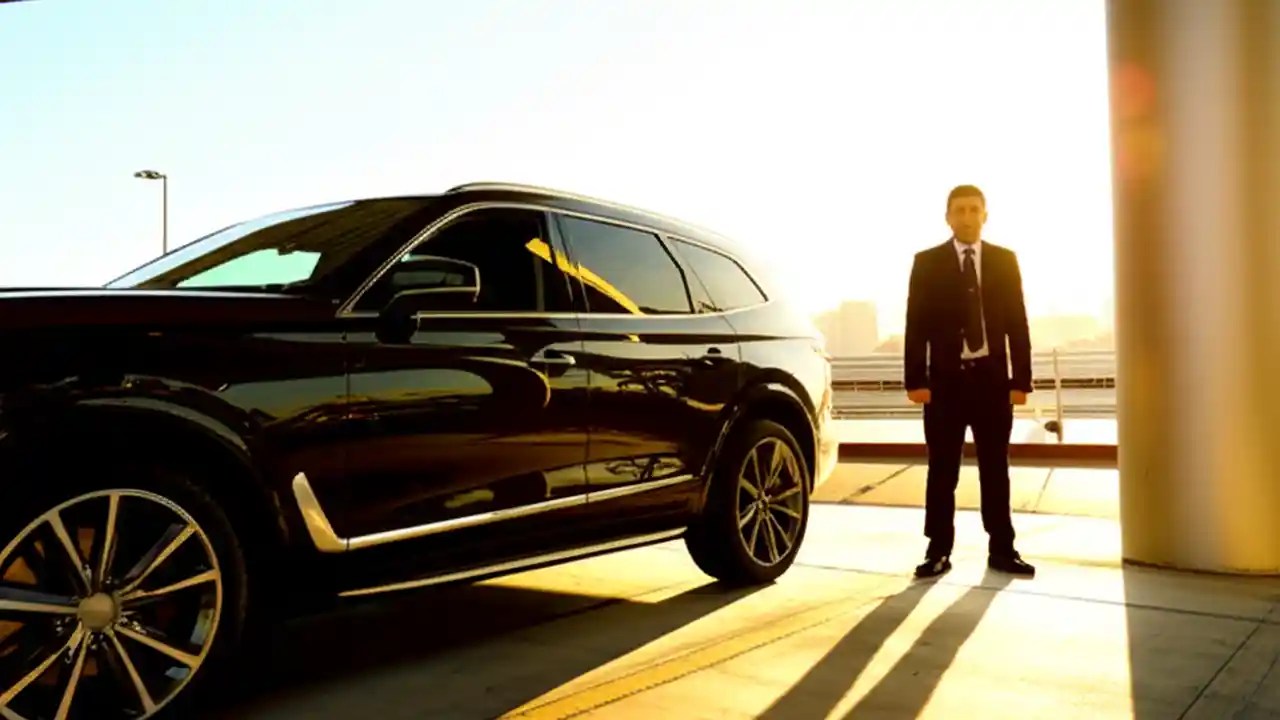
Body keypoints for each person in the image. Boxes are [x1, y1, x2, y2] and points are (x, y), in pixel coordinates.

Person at [903, 184, 1036, 579]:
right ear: (948, 217)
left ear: (985, 215)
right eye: (959, 210)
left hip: (993, 383)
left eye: (974, 209)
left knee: (996, 468)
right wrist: (916, 379)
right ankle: (937, 549)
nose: (966, 216)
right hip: (944, 384)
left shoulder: (1004, 261)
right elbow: (916, 325)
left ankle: (1002, 549)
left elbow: (1017, 321)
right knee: (942, 470)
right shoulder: (926, 263)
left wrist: (1021, 381)